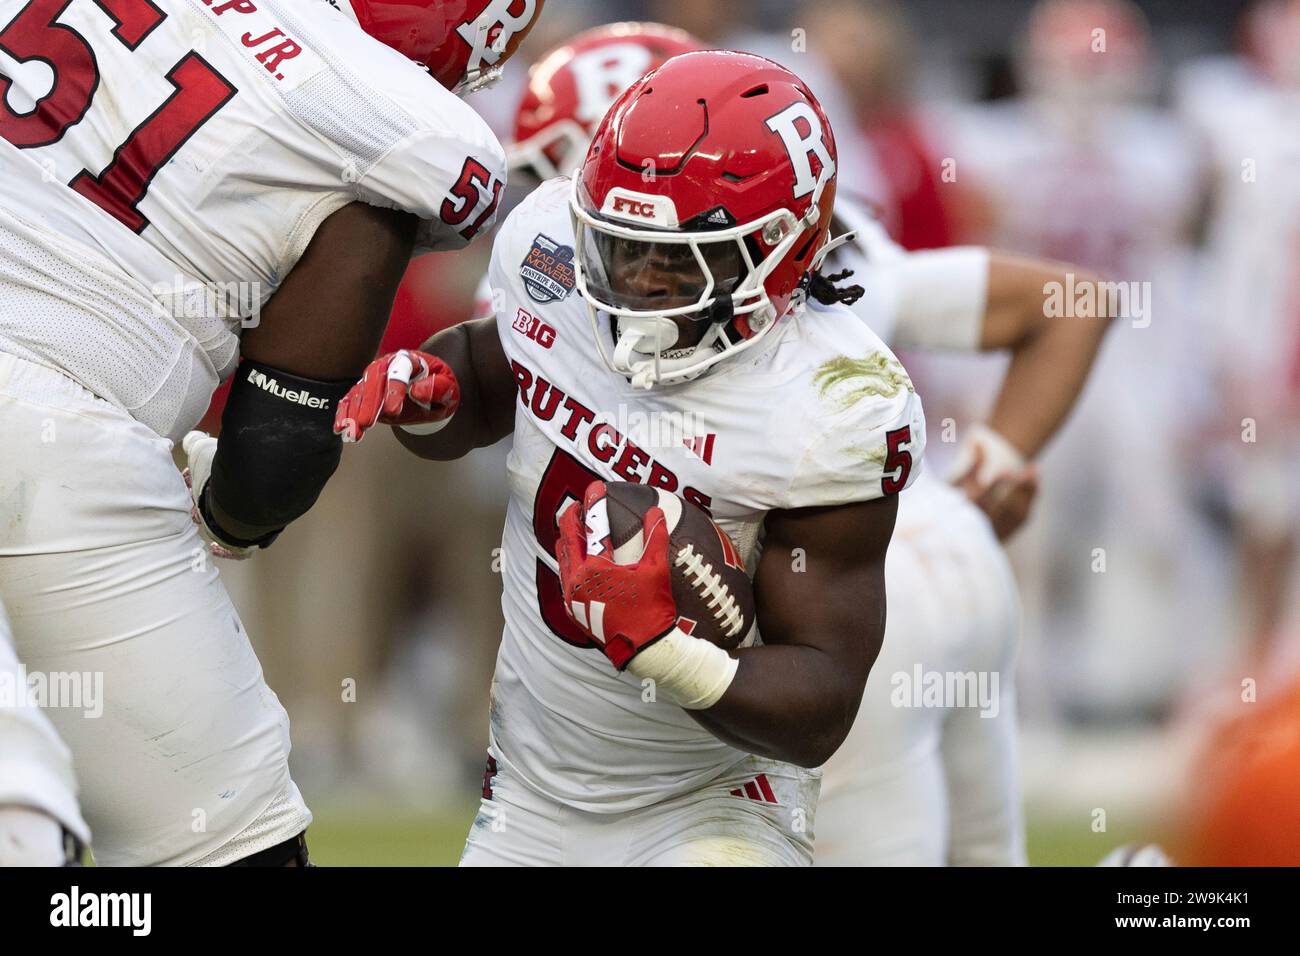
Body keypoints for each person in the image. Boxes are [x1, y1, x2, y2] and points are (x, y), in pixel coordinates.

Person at [338, 51, 925, 866]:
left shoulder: (834, 403)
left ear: (783, 247)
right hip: (530, 798)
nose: (638, 280)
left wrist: (665, 650)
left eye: (679, 257)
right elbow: (489, 375)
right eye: (621, 245)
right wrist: (431, 389)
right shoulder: (551, 256)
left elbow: (823, 701)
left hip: (711, 805)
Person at [0, 0, 542, 865]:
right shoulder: (394, 122)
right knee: (230, 847)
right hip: (56, 437)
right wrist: (227, 519)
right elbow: (273, 452)